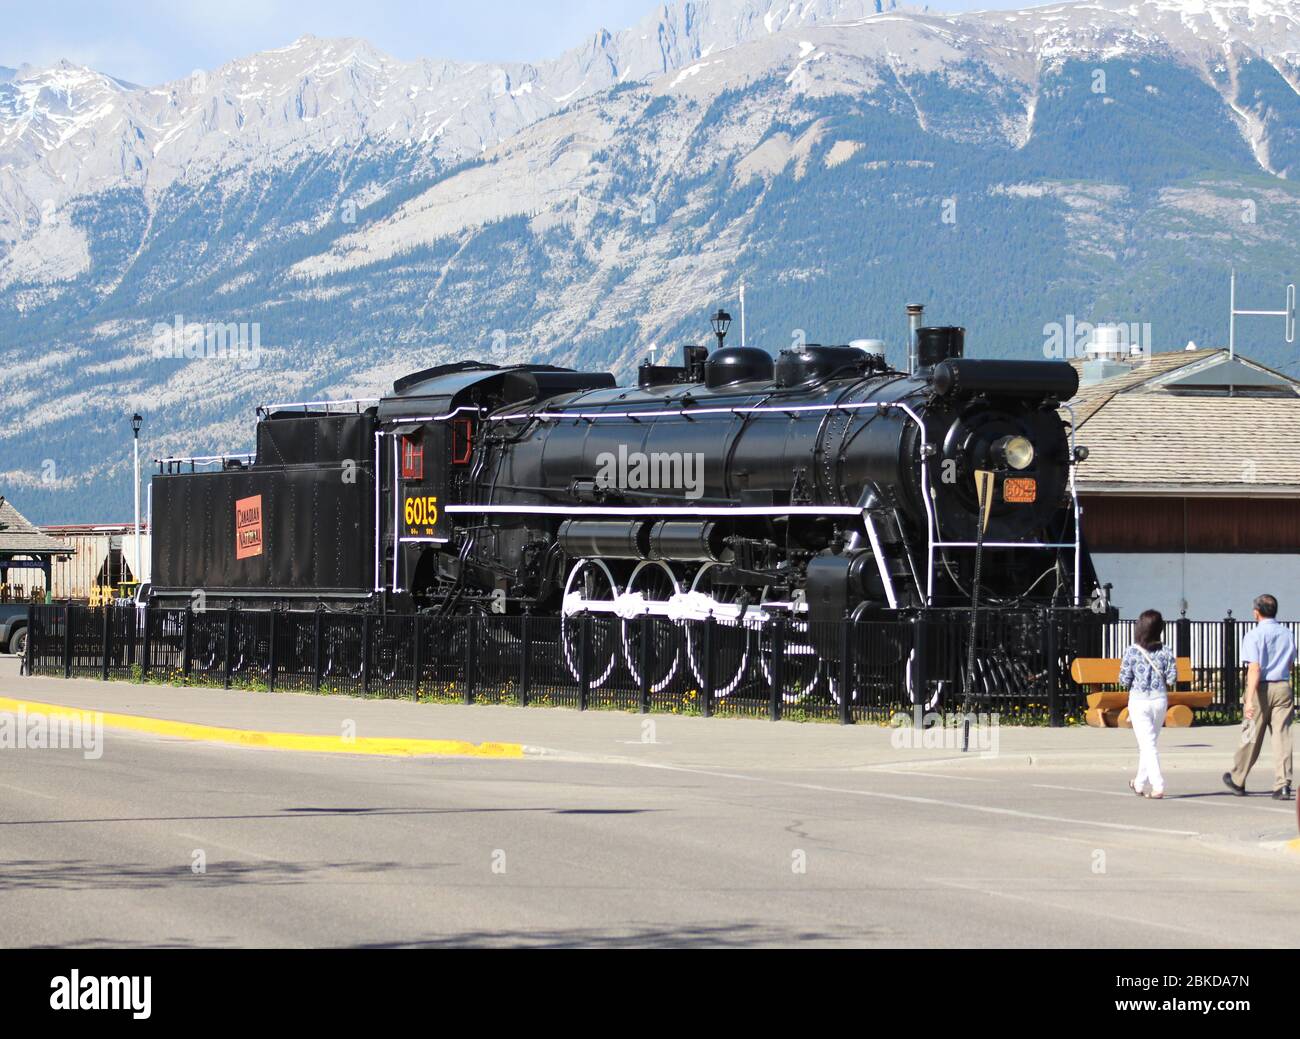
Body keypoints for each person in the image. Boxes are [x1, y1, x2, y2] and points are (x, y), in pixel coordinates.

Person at [1223, 595, 1296, 800]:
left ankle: (1238, 778)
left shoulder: (1253, 635)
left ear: (1257, 612)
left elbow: (1254, 668)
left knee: (1251, 733)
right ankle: (1283, 784)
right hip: (1282, 685)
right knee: (1282, 736)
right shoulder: (1287, 634)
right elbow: (1290, 663)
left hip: (1260, 688)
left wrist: (1248, 700)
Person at [1119, 610, 1178, 799]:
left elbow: (1123, 679)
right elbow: (1172, 678)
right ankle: (1138, 782)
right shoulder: (1166, 651)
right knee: (1149, 743)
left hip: (1138, 701)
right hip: (1159, 700)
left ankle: (1158, 785)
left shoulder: (1132, 651)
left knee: (1148, 745)